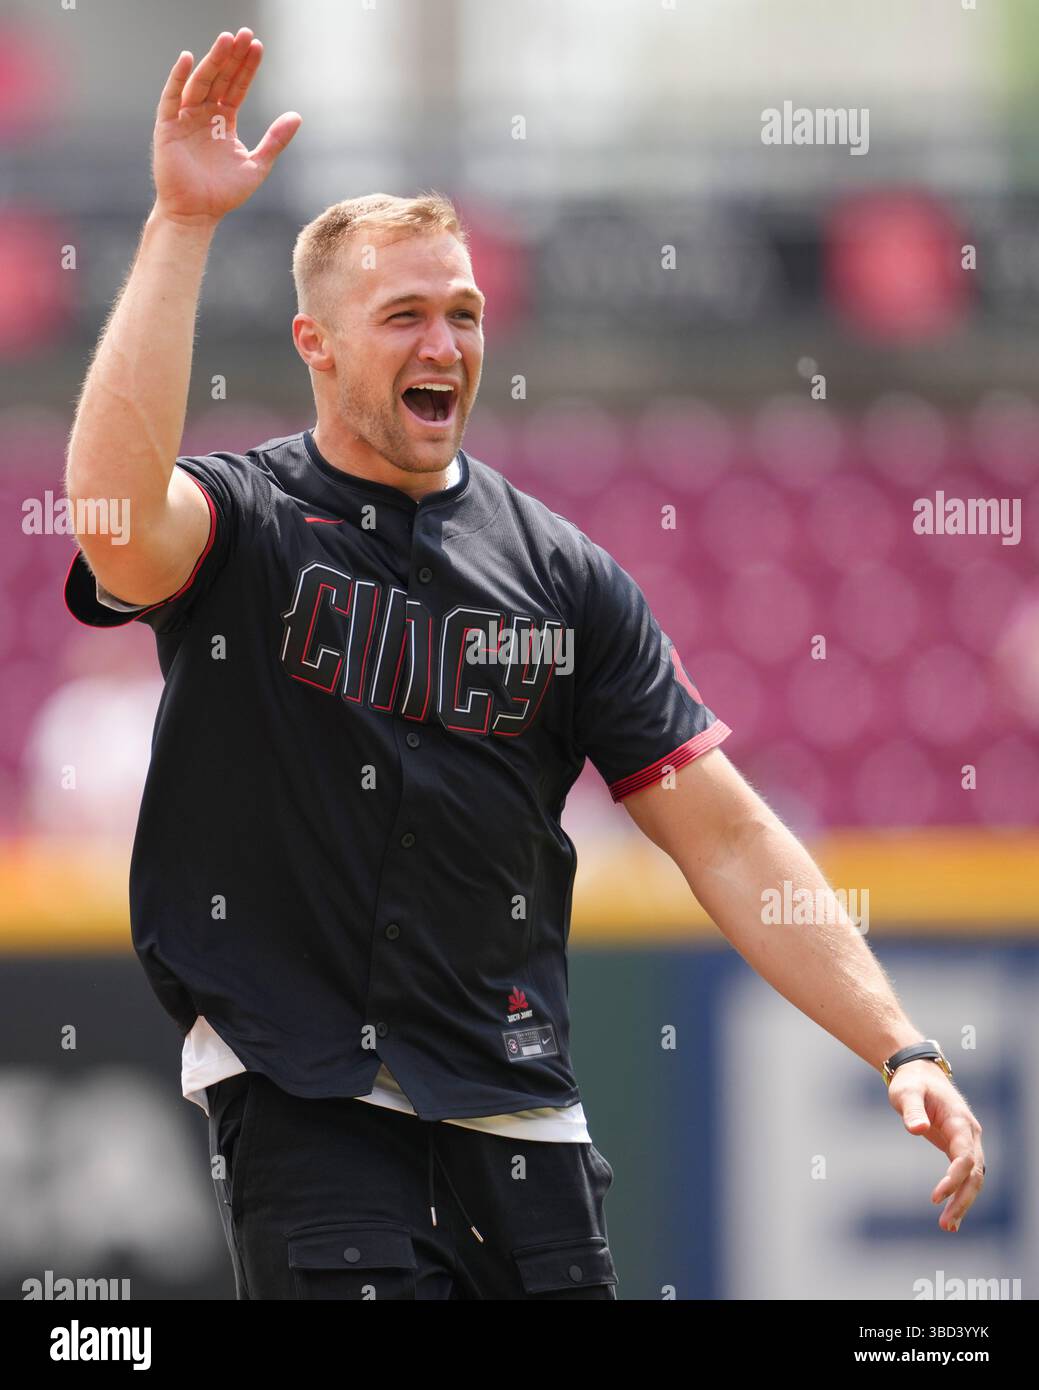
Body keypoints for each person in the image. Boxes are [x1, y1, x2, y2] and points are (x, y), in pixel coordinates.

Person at [62, 29, 986, 1300]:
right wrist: (178, 223)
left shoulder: (563, 573)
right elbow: (113, 519)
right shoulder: (248, 521)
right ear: (315, 345)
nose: (442, 344)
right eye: (402, 317)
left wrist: (899, 1047)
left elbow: (724, 835)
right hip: (311, 1106)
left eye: (463, 314)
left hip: (525, 1125)